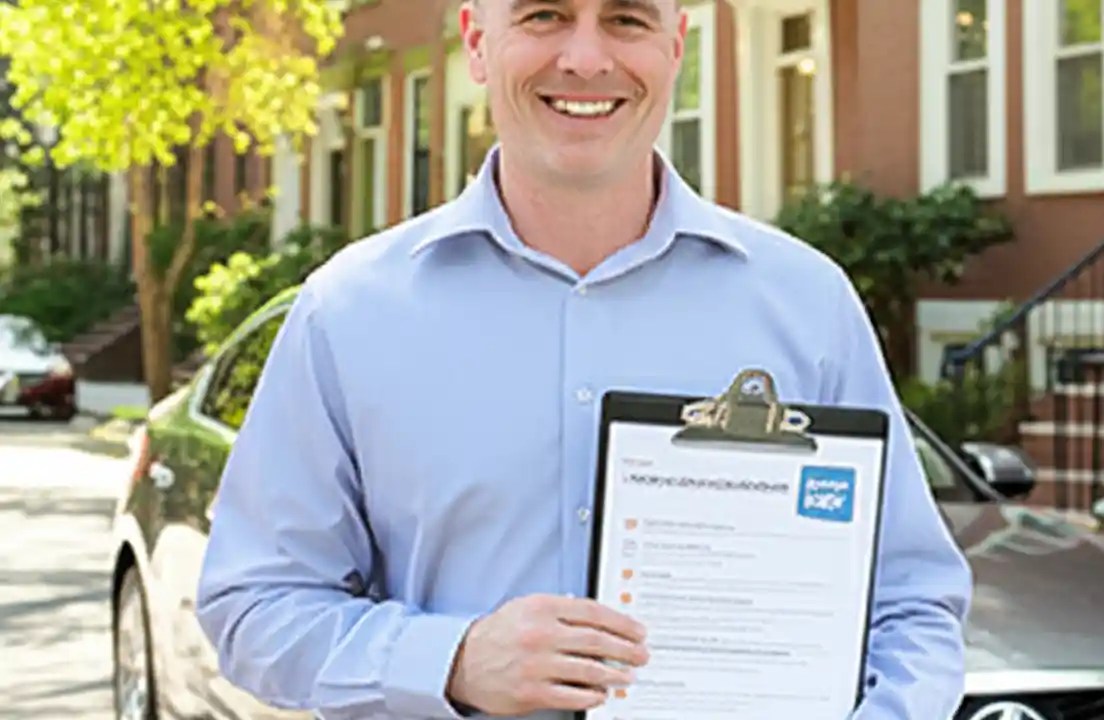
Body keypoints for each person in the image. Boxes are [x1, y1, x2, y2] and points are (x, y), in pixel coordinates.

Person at [195, 0, 973, 717]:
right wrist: (452, 659)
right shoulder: (350, 312)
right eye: (545, 15)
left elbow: (912, 604)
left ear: (676, 46)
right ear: (476, 41)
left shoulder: (806, 305)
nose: (586, 58)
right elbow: (254, 606)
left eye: (627, 19)